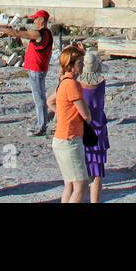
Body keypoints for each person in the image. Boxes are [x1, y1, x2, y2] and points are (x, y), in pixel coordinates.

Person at [0, 10, 54, 136]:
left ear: (42, 20)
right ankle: (42, 124)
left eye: (36, 19)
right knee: (40, 98)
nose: (34, 21)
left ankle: (41, 126)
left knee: (38, 99)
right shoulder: (46, 33)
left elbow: (17, 33)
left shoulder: (40, 33)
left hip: (36, 70)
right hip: (38, 69)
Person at [47, 47, 91, 203]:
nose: (82, 66)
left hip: (61, 138)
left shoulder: (62, 82)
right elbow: (85, 114)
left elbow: (50, 101)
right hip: (70, 139)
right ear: (71, 65)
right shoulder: (72, 84)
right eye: (80, 62)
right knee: (82, 185)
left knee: (70, 185)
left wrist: (62, 114)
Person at [78, 50, 110, 203]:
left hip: (82, 128)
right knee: (97, 172)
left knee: (79, 170)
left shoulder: (78, 85)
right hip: (98, 128)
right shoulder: (101, 83)